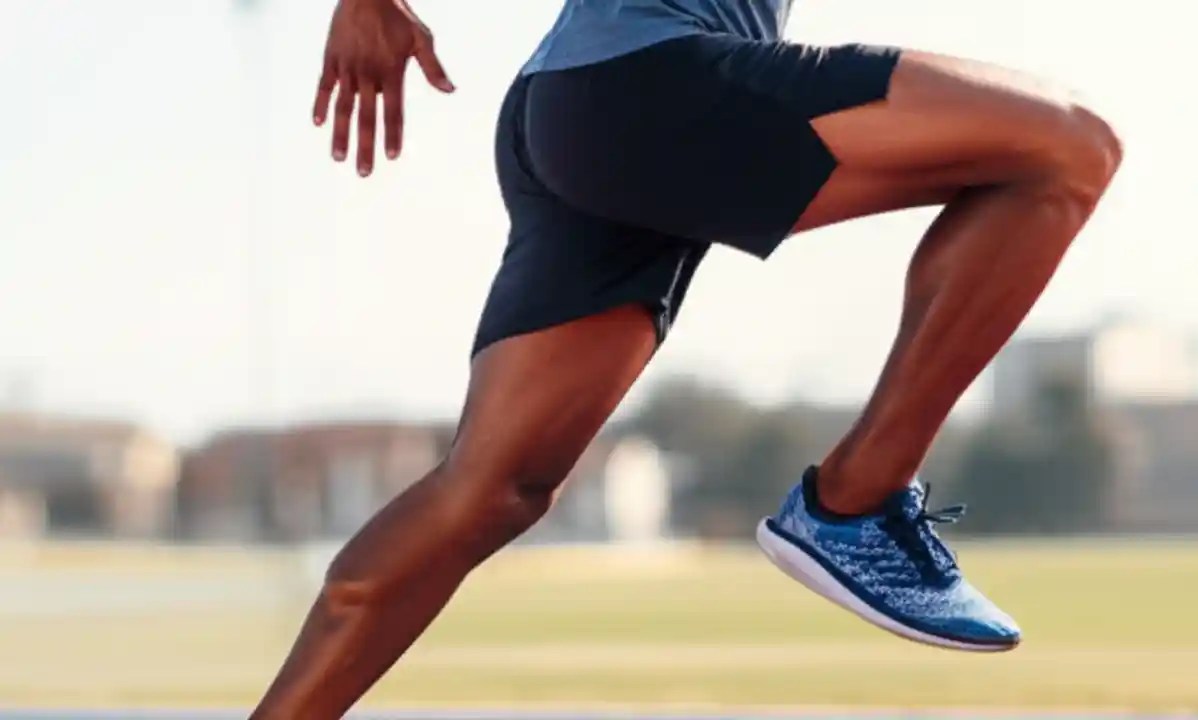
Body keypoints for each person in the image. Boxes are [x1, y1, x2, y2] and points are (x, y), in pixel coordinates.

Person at [249, 0, 1122, 716]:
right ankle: (857, 501)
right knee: (1065, 149)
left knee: (489, 490)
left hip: (576, 104)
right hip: (645, 86)